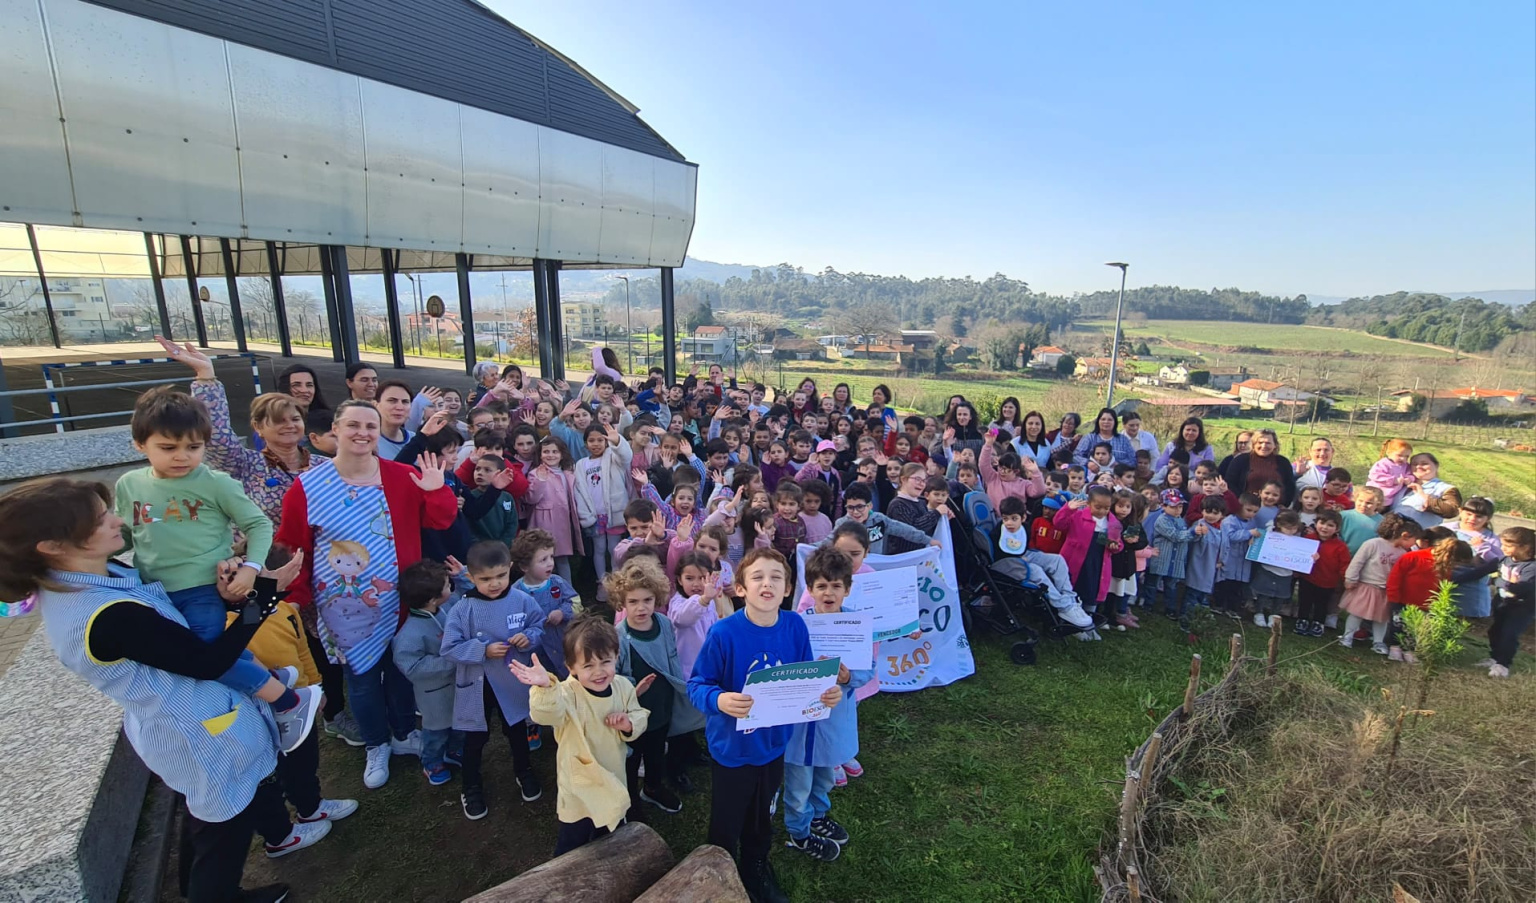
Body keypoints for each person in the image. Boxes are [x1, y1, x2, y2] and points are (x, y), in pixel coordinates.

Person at [0, 479, 293, 903]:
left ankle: (202, 890)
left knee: (209, 817)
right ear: (52, 545)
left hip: (191, 723)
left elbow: (173, 632)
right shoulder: (106, 616)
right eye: (102, 519)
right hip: (198, 733)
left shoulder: (95, 577)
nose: (118, 520)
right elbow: (207, 662)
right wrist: (263, 598)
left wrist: (221, 597)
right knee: (222, 832)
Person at [115, 386, 322, 746]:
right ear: (139, 444)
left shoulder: (215, 483)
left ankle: (288, 702)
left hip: (204, 590)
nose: (182, 457)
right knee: (208, 651)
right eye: (169, 448)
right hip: (154, 590)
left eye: (193, 448)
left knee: (207, 657)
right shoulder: (129, 484)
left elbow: (258, 525)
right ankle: (271, 678)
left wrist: (251, 567)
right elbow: (130, 534)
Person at [276, 401, 458, 789]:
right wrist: (296, 596)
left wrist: (437, 489)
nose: (363, 432)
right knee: (360, 677)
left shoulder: (401, 475)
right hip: (343, 606)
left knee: (399, 670)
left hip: (399, 599)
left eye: (370, 426)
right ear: (336, 430)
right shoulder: (308, 486)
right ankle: (377, 743)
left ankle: (404, 732)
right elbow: (294, 546)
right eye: (353, 425)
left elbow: (441, 519)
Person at [687, 548, 841, 903]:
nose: (767, 583)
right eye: (757, 577)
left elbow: (806, 676)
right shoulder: (724, 633)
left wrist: (824, 694)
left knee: (762, 816)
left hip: (774, 745)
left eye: (776, 577)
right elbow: (697, 685)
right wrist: (720, 700)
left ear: (788, 588)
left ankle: (755, 866)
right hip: (732, 751)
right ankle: (719, 876)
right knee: (726, 823)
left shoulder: (794, 625)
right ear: (740, 588)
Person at [217, 547, 356, 861]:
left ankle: (310, 808)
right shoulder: (232, 622)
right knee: (272, 771)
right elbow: (249, 626)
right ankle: (282, 831)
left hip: (298, 702)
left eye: (256, 574)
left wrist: (314, 685)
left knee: (304, 759)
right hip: (263, 711)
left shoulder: (284, 610)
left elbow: (303, 649)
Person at [514, 617, 648, 856]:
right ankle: (563, 876)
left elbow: (638, 714)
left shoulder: (622, 687)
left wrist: (628, 723)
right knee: (572, 840)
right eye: (588, 666)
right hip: (579, 786)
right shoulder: (565, 693)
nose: (599, 672)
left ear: (616, 657)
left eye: (605, 662)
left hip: (612, 775)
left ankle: (611, 871)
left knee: (610, 833)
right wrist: (545, 688)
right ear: (571, 667)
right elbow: (545, 715)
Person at [441, 540, 546, 819]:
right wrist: (482, 650)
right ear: (471, 577)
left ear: (510, 569)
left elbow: (538, 625)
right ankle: (471, 785)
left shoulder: (522, 600)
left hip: (512, 681)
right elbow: (449, 648)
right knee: (475, 737)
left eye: (500, 576)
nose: (494, 583)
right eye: (485, 579)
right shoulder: (463, 610)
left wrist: (528, 638)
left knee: (517, 730)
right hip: (479, 685)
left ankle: (523, 771)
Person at [783, 546, 869, 862]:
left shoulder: (855, 627)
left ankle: (818, 815)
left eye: (836, 585)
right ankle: (798, 831)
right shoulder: (796, 624)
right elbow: (785, 667)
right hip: (801, 725)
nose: (828, 592)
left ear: (847, 588)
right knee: (798, 783)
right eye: (821, 585)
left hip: (835, 719)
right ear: (810, 589)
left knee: (825, 776)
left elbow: (866, 670)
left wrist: (848, 678)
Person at [612, 558, 702, 812]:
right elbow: (615, 675)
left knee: (655, 751)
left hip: (661, 704)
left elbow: (671, 657)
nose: (641, 608)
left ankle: (652, 788)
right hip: (634, 710)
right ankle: (629, 799)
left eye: (647, 600)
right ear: (622, 602)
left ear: (657, 598)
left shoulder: (663, 624)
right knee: (631, 757)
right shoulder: (618, 635)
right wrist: (632, 691)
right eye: (633, 602)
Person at [1339, 515, 1423, 654]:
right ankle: (1347, 637)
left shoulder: (1403, 553)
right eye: (1414, 540)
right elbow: (1357, 562)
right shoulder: (1373, 544)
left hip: (1386, 591)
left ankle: (1378, 642)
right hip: (1366, 587)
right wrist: (1350, 578)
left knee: (1382, 618)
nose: (1414, 544)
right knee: (1356, 614)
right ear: (1405, 535)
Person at [575, 423, 634, 603]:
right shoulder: (581, 464)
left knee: (614, 549)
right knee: (599, 549)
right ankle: (602, 582)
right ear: (585, 444)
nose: (596, 444)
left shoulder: (613, 458)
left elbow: (626, 456)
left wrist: (617, 441)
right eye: (591, 440)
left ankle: (617, 580)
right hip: (595, 515)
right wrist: (586, 513)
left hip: (614, 513)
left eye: (600, 440)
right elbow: (579, 489)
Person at [512, 530, 581, 681]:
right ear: (525, 566)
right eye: (543, 560)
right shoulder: (516, 592)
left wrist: (563, 612)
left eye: (551, 557)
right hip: (538, 652)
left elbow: (576, 603)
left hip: (564, 644)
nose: (550, 563)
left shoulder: (557, 582)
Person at [1466, 526, 1534, 678]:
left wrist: (1499, 581)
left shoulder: (1531, 568)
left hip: (1521, 609)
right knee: (1495, 631)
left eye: (1508, 546)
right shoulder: (1504, 560)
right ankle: (1494, 658)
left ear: (1526, 547)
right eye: (1502, 544)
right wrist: (1455, 579)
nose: (1503, 548)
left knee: (1509, 634)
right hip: (1502, 604)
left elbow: (1521, 588)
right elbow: (1482, 571)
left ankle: (1503, 664)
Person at [526, 437, 585, 583]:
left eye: (555, 452)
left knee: (562, 559)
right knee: (543, 558)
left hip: (563, 523)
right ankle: (544, 591)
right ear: (540, 454)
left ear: (562, 454)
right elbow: (530, 498)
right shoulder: (535, 473)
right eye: (546, 451)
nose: (550, 455)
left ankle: (569, 594)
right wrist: (540, 480)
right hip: (544, 522)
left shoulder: (567, 472)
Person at [1296, 509, 1350, 637]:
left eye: (1330, 525)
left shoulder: (1340, 547)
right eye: (1322, 523)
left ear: (1337, 529)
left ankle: (1318, 623)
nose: (1325, 527)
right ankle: (1302, 620)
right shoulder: (1308, 539)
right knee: (1304, 600)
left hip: (1327, 582)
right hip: (1307, 578)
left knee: (1322, 604)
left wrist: (1345, 579)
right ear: (1316, 523)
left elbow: (1345, 565)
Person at [1250, 510, 1304, 628]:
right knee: (1263, 593)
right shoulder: (1270, 534)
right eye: (1288, 528)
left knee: (1280, 596)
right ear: (1279, 525)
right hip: (1268, 569)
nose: (1291, 531)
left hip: (1286, 573)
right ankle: (1258, 613)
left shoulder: (1298, 539)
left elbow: (1303, 553)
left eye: (1294, 528)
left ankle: (1274, 615)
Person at [1147, 490, 1193, 618]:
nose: (1177, 510)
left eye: (1180, 506)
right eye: (1173, 507)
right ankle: (1148, 604)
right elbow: (1175, 536)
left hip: (1175, 560)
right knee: (1153, 583)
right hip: (1161, 558)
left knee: (1172, 585)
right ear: (1163, 506)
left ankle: (1170, 608)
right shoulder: (1162, 520)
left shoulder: (1181, 521)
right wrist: (1193, 533)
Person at [1224, 429, 1297, 506]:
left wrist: (1284, 504)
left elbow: (1290, 486)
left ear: (1275, 445)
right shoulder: (1241, 460)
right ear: (1253, 444)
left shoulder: (1283, 462)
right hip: (1245, 507)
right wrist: (1241, 502)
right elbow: (1230, 483)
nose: (1264, 446)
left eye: (1268, 443)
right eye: (1260, 442)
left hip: (1274, 508)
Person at [1391, 452, 1462, 529]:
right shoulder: (1403, 485)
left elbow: (1452, 510)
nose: (1418, 467)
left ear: (1436, 465)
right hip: (1388, 531)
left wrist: (1424, 497)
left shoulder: (1446, 488)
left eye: (1424, 463)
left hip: (1417, 535)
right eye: (1414, 464)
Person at [464, 454, 519, 547]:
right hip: (479, 549)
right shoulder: (470, 497)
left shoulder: (507, 497)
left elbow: (512, 524)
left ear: (500, 474)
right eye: (477, 469)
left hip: (503, 548)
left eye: (487, 470)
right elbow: (467, 526)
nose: (480, 473)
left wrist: (504, 543)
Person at [1366, 438, 1415, 509]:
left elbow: (1410, 474)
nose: (1403, 459)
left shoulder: (1406, 466)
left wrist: (1409, 479)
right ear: (1389, 452)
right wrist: (1393, 480)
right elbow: (1375, 475)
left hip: (1390, 498)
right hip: (1375, 494)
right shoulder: (1384, 463)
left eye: (1406, 456)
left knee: (1382, 515)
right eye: (1399, 455)